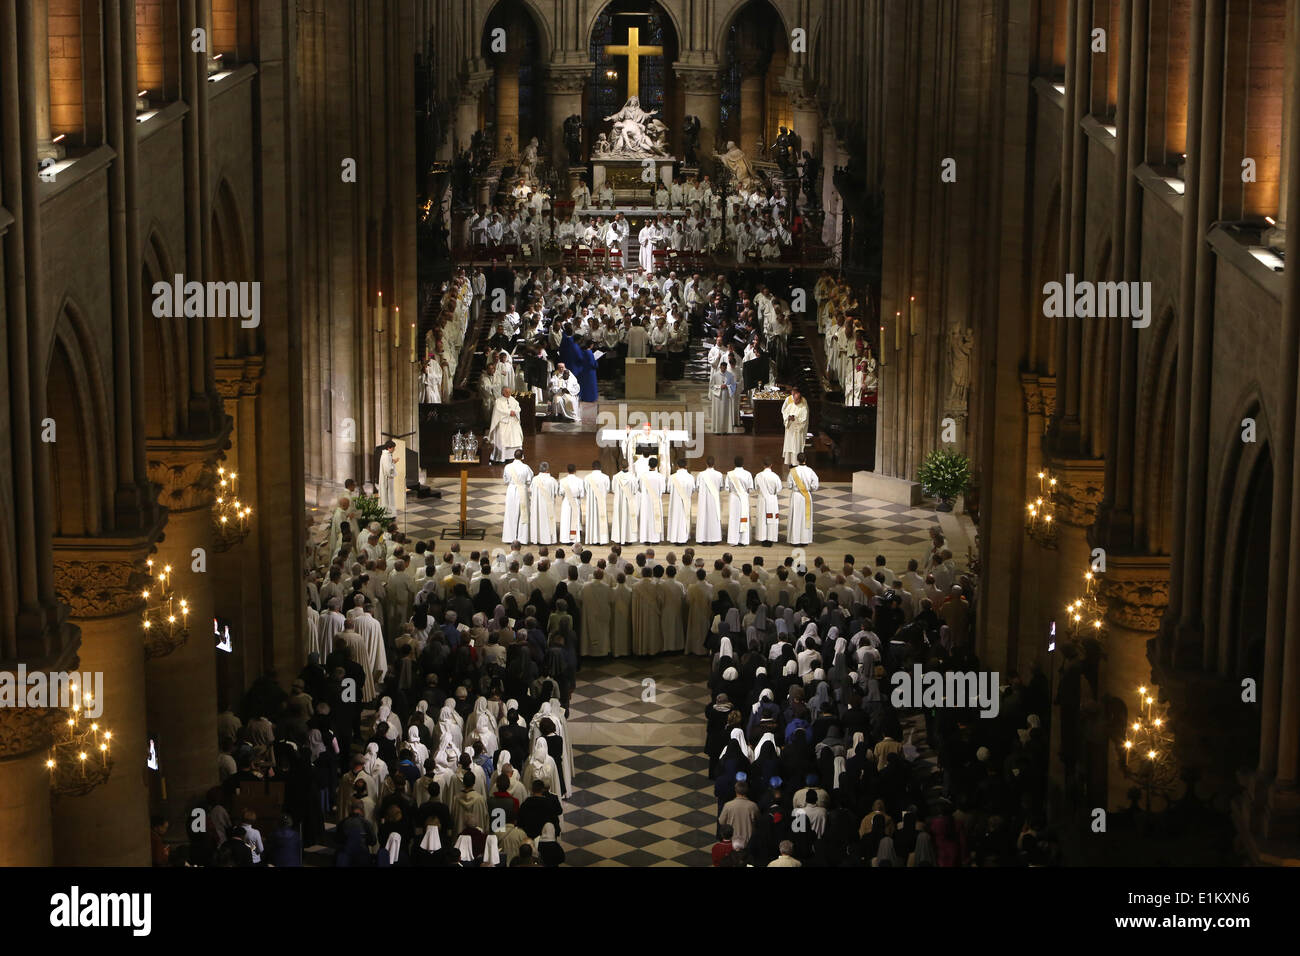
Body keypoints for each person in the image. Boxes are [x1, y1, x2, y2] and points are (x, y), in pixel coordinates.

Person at [786, 453, 820, 545]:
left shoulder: (793, 471)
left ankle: (795, 540)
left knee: (795, 518)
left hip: (796, 496)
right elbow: (815, 485)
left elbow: (789, 485)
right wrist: (809, 489)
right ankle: (805, 540)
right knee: (806, 518)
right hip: (806, 496)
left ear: (797, 460)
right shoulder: (810, 471)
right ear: (806, 459)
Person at [502, 451, 533, 546]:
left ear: (513, 456)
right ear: (522, 457)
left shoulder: (508, 467)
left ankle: (509, 537)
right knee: (523, 514)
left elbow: (505, 480)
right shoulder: (526, 467)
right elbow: (529, 480)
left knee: (510, 513)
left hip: (511, 490)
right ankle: (522, 538)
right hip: (522, 491)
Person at [488, 387, 524, 464]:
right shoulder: (498, 401)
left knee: (516, 439)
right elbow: (498, 411)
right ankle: (503, 458)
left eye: (509, 392)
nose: (508, 394)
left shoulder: (513, 400)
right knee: (503, 440)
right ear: (503, 392)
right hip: (503, 423)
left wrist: (515, 412)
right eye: (507, 392)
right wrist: (508, 413)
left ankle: (516, 456)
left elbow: (518, 408)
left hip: (513, 423)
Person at [725, 456, 754, 547]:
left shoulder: (730, 474)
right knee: (743, 517)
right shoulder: (748, 474)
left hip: (734, 498)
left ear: (734, 463)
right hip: (744, 498)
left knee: (734, 519)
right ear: (743, 463)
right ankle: (743, 540)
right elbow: (750, 489)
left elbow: (727, 488)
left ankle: (733, 540)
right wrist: (744, 493)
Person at [529, 462, 559, 546]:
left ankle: (537, 538)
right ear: (548, 469)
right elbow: (557, 492)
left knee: (538, 520)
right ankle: (548, 539)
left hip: (537, 506)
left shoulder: (535, 479)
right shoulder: (552, 480)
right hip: (548, 506)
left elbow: (531, 490)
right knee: (547, 521)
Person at [753, 459, 782, 546]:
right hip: (772, 500)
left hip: (762, 499)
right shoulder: (775, 476)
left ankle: (762, 538)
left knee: (762, 519)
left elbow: (756, 488)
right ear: (771, 465)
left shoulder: (758, 476)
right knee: (771, 519)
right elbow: (779, 489)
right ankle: (770, 539)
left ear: (763, 465)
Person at [695, 457, 723, 544]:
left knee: (703, 518)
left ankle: (702, 539)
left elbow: (697, 488)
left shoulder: (701, 475)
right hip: (714, 500)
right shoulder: (719, 475)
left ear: (706, 464)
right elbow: (721, 488)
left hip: (703, 500)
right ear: (714, 464)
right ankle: (714, 539)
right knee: (714, 519)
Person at [666, 460, 695, 544]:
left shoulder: (672, 477)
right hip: (685, 502)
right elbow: (693, 490)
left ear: (677, 466)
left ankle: (674, 538)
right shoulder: (690, 477)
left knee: (675, 519)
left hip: (675, 503)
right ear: (686, 466)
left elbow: (668, 490)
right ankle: (684, 538)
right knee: (684, 519)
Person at [638, 457, 666, 544]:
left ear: (648, 464)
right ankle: (655, 539)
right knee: (655, 519)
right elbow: (663, 490)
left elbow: (639, 488)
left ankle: (646, 538)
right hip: (656, 502)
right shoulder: (660, 477)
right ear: (657, 465)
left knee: (646, 519)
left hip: (646, 502)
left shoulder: (643, 476)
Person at [611, 462, 639, 545]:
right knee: (628, 519)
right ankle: (628, 539)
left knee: (619, 518)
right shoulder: (632, 477)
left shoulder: (616, 477)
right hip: (629, 501)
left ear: (620, 466)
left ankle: (619, 538)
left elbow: (613, 489)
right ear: (628, 466)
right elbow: (635, 490)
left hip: (619, 502)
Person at [584, 460, 610, 545]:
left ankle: (592, 539)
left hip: (591, 504)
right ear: (600, 467)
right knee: (601, 519)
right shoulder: (605, 477)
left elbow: (585, 490)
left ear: (592, 467)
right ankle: (602, 540)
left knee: (592, 519)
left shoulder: (587, 478)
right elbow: (608, 489)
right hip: (601, 502)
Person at [557, 464, 585, 547]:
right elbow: (582, 494)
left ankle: (565, 539)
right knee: (574, 521)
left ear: (567, 470)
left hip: (566, 502)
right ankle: (574, 538)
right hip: (575, 501)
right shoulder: (579, 481)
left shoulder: (563, 481)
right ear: (575, 470)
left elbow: (560, 493)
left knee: (566, 520)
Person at [781, 388, 810, 466]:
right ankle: (789, 461)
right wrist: (788, 418)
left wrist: (795, 419)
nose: (795, 401)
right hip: (790, 430)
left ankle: (796, 462)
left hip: (797, 432)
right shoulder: (790, 405)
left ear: (800, 399)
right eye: (794, 399)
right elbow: (785, 413)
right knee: (790, 446)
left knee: (795, 447)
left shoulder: (803, 408)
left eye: (796, 400)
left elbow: (804, 420)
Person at [711, 361, 736, 434]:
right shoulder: (715, 375)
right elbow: (711, 386)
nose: (723, 369)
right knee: (718, 412)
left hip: (726, 397)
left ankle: (725, 430)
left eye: (725, 368)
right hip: (718, 397)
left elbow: (733, 386)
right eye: (722, 367)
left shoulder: (730, 375)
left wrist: (727, 386)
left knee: (725, 412)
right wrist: (719, 387)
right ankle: (717, 430)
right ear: (720, 367)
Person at [378, 440, 398, 514]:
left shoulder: (387, 455)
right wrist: (393, 467)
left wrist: (393, 462)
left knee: (388, 494)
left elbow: (388, 465)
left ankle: (388, 509)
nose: (394, 449)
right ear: (389, 448)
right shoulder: (386, 456)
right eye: (393, 448)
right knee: (387, 494)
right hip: (387, 479)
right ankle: (387, 510)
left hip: (388, 479)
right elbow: (388, 470)